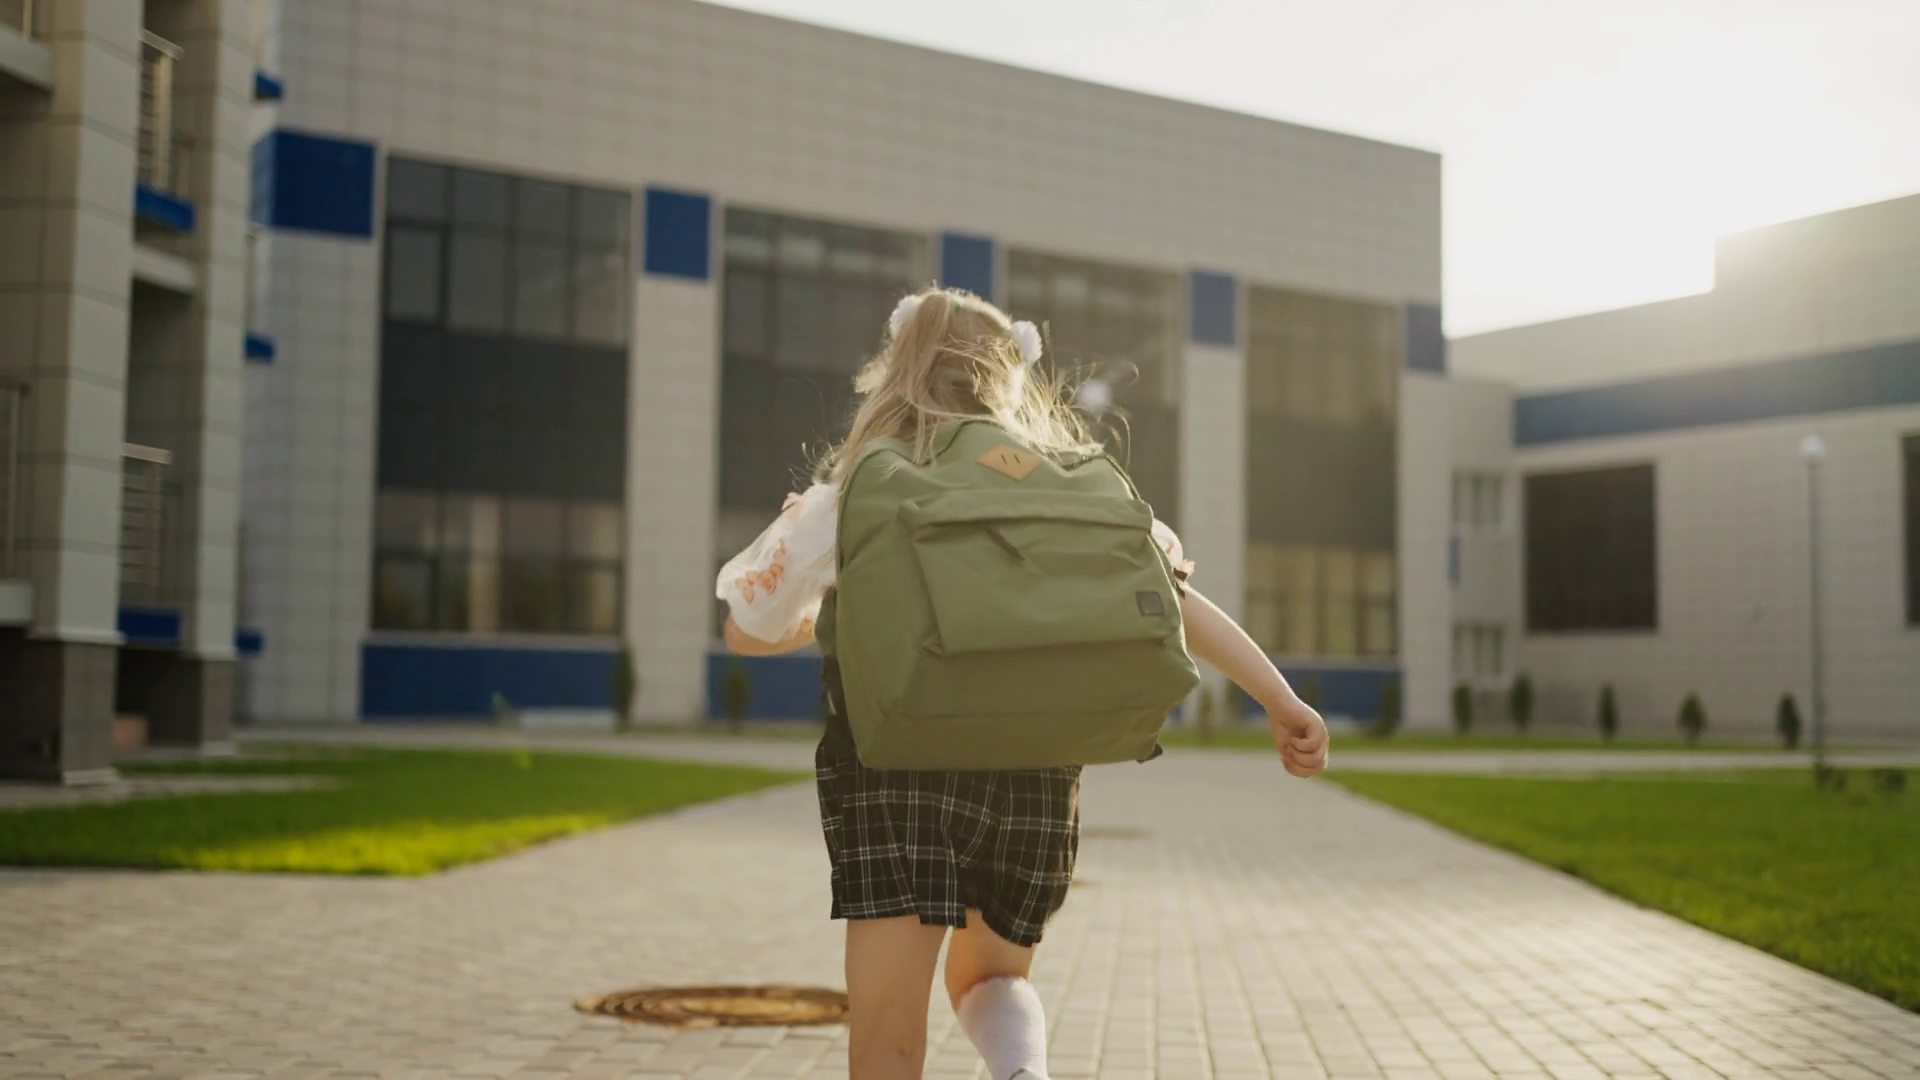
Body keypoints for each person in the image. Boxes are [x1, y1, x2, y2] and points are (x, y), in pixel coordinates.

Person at [716, 287, 1330, 1080]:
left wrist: (829, 609)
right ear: (1011, 375)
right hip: (1036, 770)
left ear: (899, 369)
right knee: (993, 979)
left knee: (888, 1032)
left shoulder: (858, 489)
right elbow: (1175, 599)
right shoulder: (1072, 487)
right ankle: (1022, 1073)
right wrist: (1282, 700)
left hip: (896, 769)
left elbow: (746, 631)